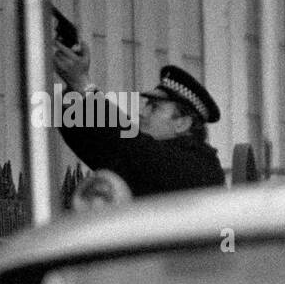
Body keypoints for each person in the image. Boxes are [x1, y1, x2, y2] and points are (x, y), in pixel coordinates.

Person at [52, 39, 225, 197]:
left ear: (182, 123)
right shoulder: (147, 160)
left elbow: (131, 144)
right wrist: (73, 87)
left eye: (154, 107)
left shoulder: (197, 165)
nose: (142, 112)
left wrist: (83, 85)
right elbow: (90, 144)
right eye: (146, 104)